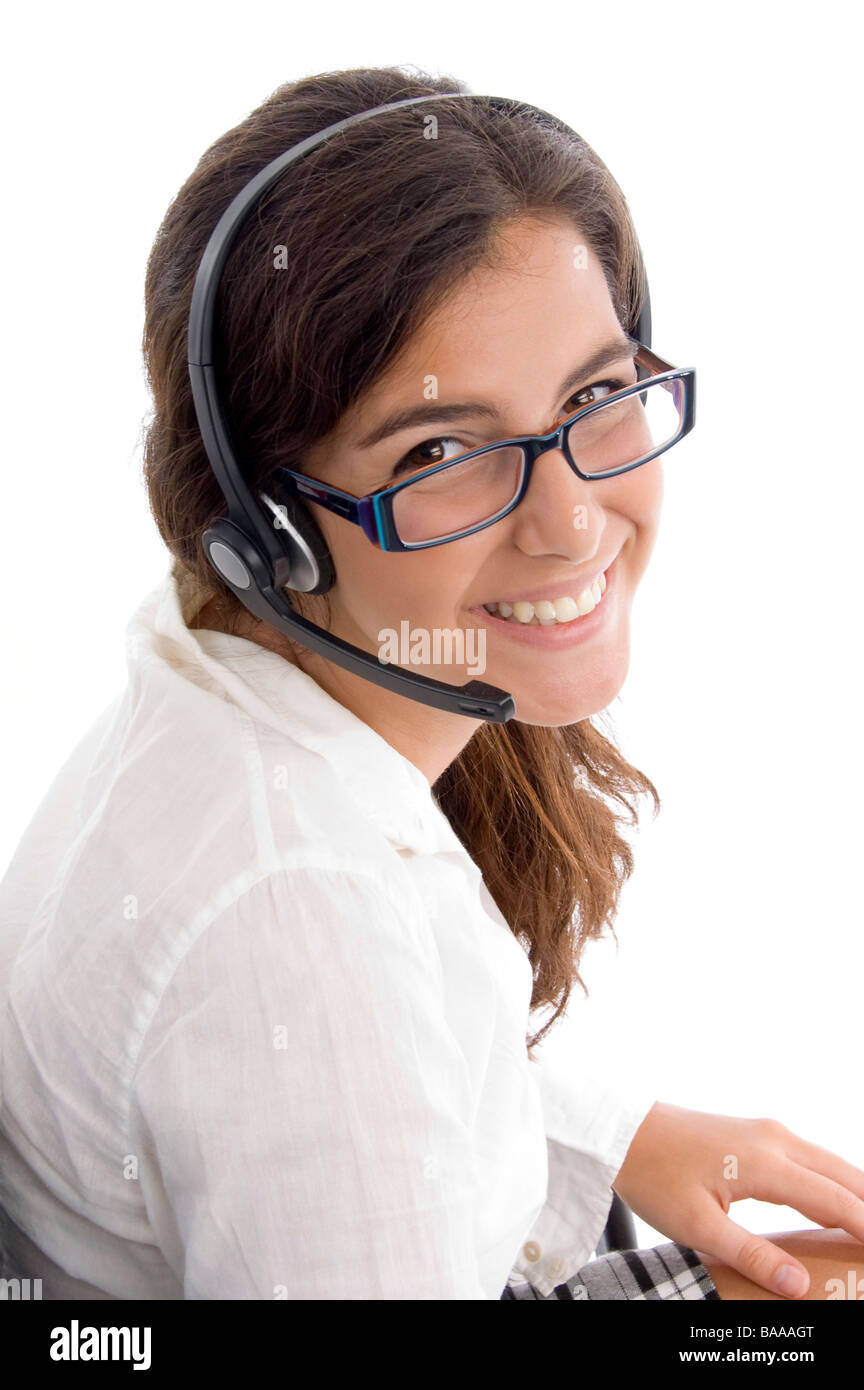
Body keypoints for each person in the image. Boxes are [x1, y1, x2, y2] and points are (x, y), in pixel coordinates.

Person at [1, 65, 862, 1302]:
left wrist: (618, 1130)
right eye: (443, 451)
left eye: (593, 395)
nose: (569, 523)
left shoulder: (221, 661)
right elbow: (329, 1018)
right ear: (270, 527)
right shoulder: (300, 923)